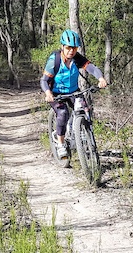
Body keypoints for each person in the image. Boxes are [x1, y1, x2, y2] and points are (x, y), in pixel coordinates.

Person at [41, 29, 108, 158]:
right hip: (56, 93)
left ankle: (80, 131)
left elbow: (91, 68)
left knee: (84, 108)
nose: (71, 51)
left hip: (73, 91)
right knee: (62, 113)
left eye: (74, 48)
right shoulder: (54, 60)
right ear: (62, 47)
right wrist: (48, 93)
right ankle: (60, 144)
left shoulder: (76, 58)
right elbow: (44, 80)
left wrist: (100, 78)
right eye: (68, 48)